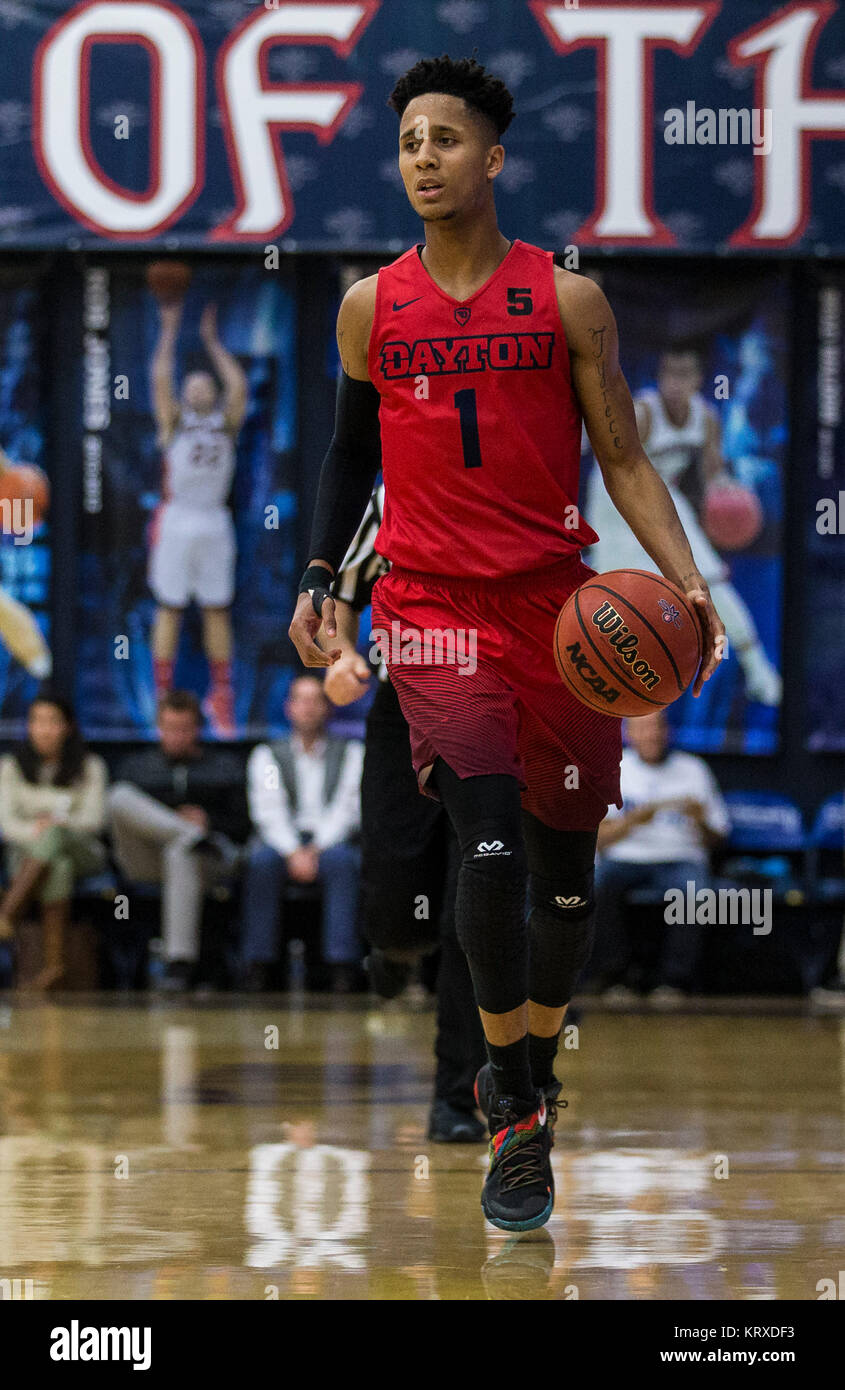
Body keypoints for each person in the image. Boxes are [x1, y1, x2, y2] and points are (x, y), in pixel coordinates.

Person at [288, 55, 725, 1232]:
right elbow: (346, 460)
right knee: (480, 836)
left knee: (565, 884)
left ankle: (518, 1068)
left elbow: (625, 455)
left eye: (444, 139)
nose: (421, 157)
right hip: (430, 610)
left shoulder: (567, 300)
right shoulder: (370, 305)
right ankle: (516, 1111)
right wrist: (324, 577)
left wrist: (684, 582)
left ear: (491, 159)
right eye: (407, 141)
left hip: (554, 607)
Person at [324, 484, 487, 1141]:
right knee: (396, 902)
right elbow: (340, 593)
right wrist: (340, 653)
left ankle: (455, 1097)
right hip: (400, 704)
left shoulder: (514, 489)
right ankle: (392, 949)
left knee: (468, 914)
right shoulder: (392, 496)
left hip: (489, 708)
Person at [586, 347, 780, 705]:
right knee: (608, 601)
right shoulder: (642, 413)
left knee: (711, 581)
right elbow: (622, 472)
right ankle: (601, 686)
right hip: (615, 505)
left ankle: (758, 671)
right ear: (660, 377)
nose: (675, 383)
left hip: (665, 500)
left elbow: (712, 474)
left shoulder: (706, 418)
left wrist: (726, 490)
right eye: (669, 374)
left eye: (684, 375)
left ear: (697, 380)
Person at [148, 299, 248, 737]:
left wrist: (212, 344)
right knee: (169, 607)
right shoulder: (174, 421)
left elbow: (239, 386)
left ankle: (221, 694)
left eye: (206, 383)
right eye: (192, 384)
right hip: (177, 520)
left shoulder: (226, 422)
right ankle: (161, 691)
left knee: (216, 609)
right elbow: (157, 378)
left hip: (214, 520)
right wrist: (170, 329)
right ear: (185, 393)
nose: (199, 388)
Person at [108, 689, 248, 992]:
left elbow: (245, 825)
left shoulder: (225, 767)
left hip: (208, 862)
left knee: (181, 853)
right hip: (146, 860)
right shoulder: (136, 768)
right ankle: (191, 837)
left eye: (184, 729)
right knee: (119, 797)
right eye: (169, 729)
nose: (176, 736)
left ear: (198, 728)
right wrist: (183, 826)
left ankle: (179, 964)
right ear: (159, 728)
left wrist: (209, 820)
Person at [589, 710, 730, 1003]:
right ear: (629, 734)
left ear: (668, 732)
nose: (652, 735)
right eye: (644, 729)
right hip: (626, 857)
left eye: (657, 728)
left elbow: (718, 839)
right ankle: (616, 979)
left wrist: (700, 820)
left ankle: (673, 982)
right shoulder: (615, 768)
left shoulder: (693, 769)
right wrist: (634, 820)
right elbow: (598, 839)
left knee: (695, 893)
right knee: (598, 885)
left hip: (680, 856)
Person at [240, 675, 364, 994]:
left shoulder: (351, 752)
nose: (308, 707)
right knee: (260, 861)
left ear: (327, 708)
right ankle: (259, 966)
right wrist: (294, 851)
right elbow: (268, 811)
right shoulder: (267, 754)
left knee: (342, 862)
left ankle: (341, 967)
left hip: (330, 842)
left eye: (315, 700)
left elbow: (348, 809)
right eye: (301, 700)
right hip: (283, 842)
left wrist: (316, 849)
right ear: (288, 708)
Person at [0, 693, 107, 989]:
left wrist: (55, 825)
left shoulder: (90, 765)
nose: (44, 729)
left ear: (68, 727)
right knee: (56, 864)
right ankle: (53, 969)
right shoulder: (11, 766)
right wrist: (39, 829)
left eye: (52, 721)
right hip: (26, 853)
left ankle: (6, 915)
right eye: (37, 721)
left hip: (84, 852)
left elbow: (94, 822)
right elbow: (7, 825)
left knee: (56, 835)